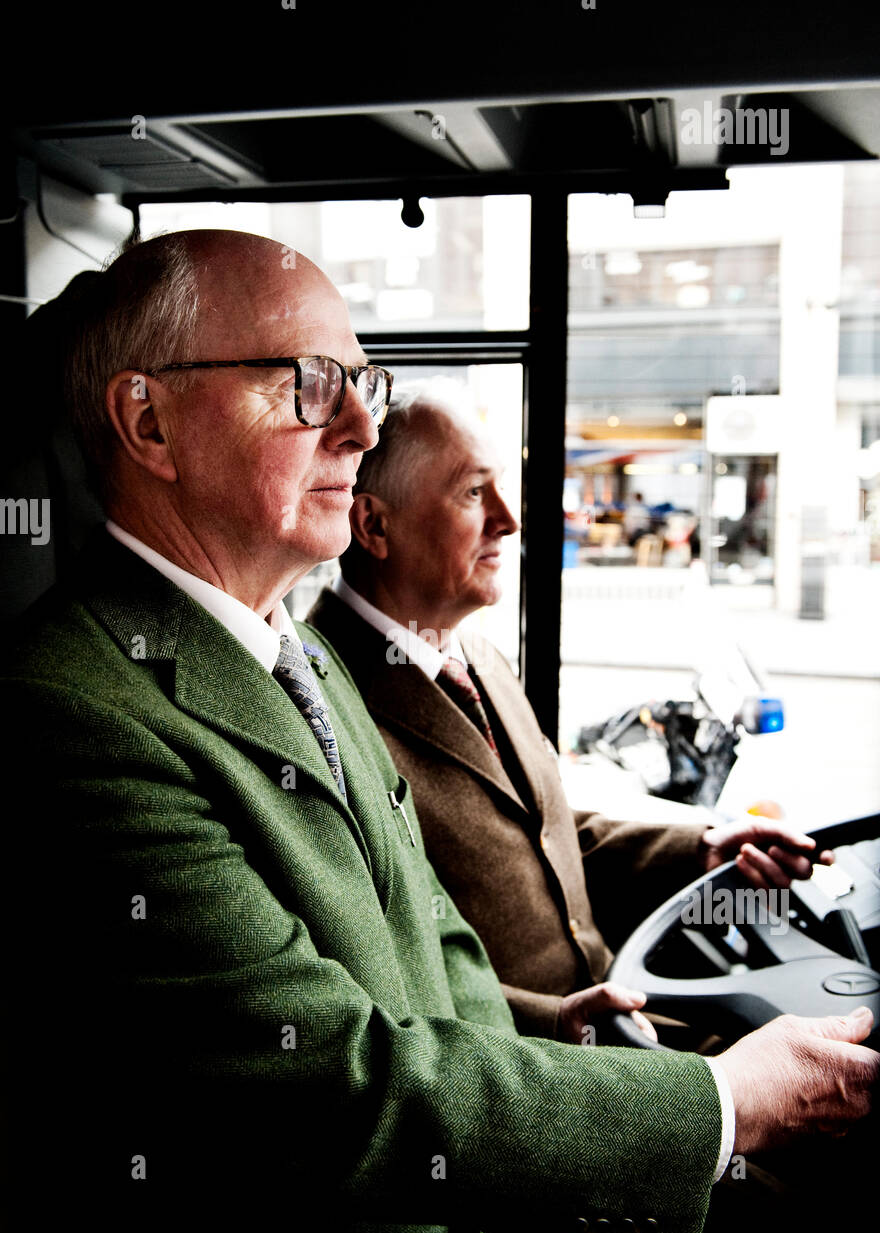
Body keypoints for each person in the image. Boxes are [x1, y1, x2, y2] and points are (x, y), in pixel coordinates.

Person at [2, 233, 874, 1233]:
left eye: (365, 385)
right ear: (149, 423)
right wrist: (717, 1101)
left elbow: (439, 949)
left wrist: (561, 1218)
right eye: (310, 384)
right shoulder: (68, 712)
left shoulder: (296, 647)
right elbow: (330, 1084)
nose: (362, 426)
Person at [308, 387, 828, 1045]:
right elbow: (372, 972)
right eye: (472, 494)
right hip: (530, 1070)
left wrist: (698, 850)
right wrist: (556, 1020)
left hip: (624, 1016)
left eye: (500, 489)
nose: (509, 520)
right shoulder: (324, 703)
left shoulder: (474, 651)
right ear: (373, 526)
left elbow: (544, 839)